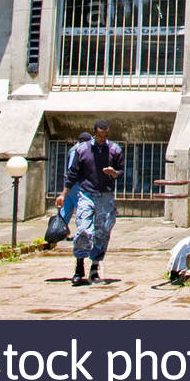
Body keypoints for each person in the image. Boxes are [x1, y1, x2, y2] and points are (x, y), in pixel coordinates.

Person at [54, 119, 124, 285]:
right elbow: (73, 174)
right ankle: (79, 267)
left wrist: (114, 173)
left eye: (105, 135)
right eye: (99, 135)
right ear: (95, 133)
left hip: (105, 196)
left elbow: (121, 170)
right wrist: (63, 194)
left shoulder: (114, 149)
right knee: (84, 230)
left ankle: (95, 266)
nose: (102, 138)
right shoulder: (82, 149)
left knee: (102, 232)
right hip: (87, 194)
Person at [57, 131, 93, 225]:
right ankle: (83, 231)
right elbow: (72, 169)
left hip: (71, 184)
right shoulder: (77, 150)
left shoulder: (76, 148)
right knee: (83, 207)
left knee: (66, 209)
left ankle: (58, 231)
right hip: (75, 184)